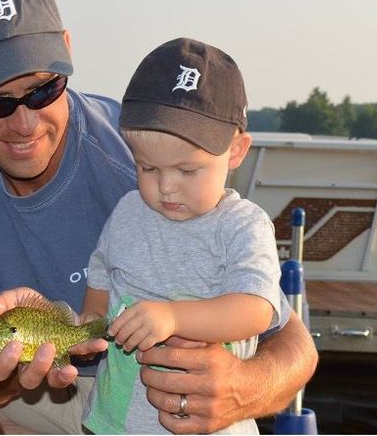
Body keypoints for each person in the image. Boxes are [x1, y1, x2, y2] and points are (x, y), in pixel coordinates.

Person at [0, 0, 319, 434]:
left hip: (152, 395)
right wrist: (2, 358)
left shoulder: (146, 162)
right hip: (45, 389)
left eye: (43, 89)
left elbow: (293, 344)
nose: (24, 123)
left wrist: (241, 387)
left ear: (67, 52)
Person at [81, 38, 285, 435]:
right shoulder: (126, 213)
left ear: (237, 150)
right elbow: (100, 278)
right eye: (148, 168)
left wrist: (172, 317)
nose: (167, 187)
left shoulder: (243, 226)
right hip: (113, 424)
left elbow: (256, 309)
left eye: (188, 171)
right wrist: (86, 324)